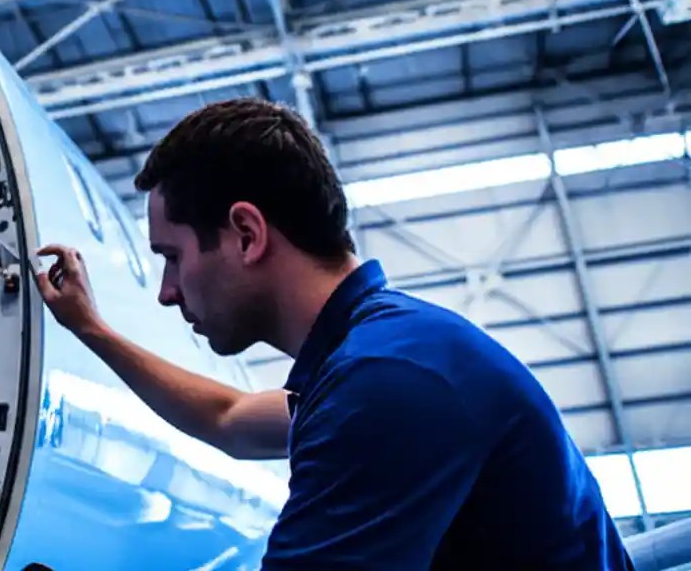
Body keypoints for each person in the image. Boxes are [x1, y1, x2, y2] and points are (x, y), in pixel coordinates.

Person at [34, 98, 634, 570]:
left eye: (172, 256)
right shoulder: (381, 355)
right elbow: (229, 416)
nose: (168, 290)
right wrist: (90, 329)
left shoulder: (387, 384)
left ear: (247, 234)